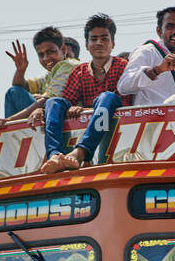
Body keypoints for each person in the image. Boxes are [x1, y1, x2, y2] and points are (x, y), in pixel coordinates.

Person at [35, 13, 130, 173]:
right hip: (92, 122)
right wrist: (66, 107)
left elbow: (125, 102)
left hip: (115, 127)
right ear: (86, 45)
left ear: (112, 43)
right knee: (53, 102)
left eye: (104, 39)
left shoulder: (123, 66)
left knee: (107, 97)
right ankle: (55, 155)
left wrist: (83, 110)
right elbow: (67, 101)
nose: (98, 43)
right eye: (93, 39)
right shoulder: (79, 71)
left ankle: (80, 153)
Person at [0, 27, 78, 126]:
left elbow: (48, 100)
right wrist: (21, 70)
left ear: (63, 50)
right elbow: (19, 87)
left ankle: (12, 131)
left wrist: (10, 120)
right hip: (51, 115)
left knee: (17, 94)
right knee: (14, 91)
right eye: (41, 55)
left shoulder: (68, 65)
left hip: (66, 119)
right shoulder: (50, 75)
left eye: (51, 51)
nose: (46, 58)